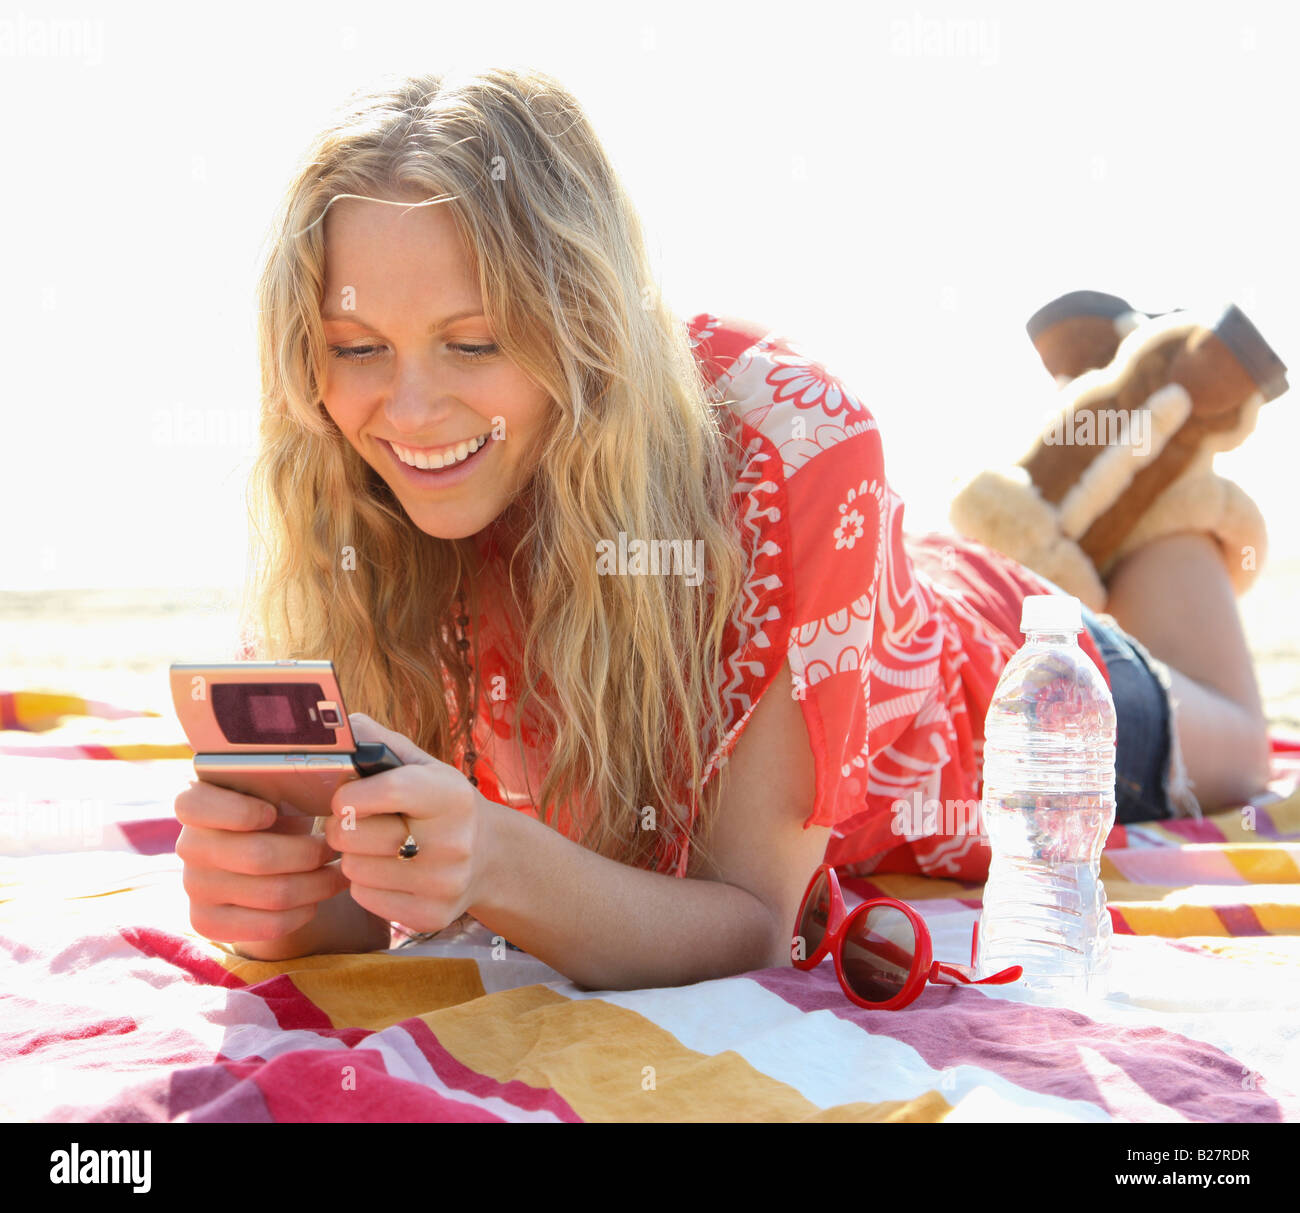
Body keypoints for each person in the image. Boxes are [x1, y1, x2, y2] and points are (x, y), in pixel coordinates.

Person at [173, 67, 1274, 988]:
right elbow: (367, 907)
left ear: (583, 320)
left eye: (474, 341)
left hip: (985, 685)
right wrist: (291, 899)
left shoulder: (798, 441)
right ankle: (1102, 408)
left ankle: (1161, 424)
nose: (407, 412)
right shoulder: (342, 485)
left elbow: (755, 922)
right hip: (864, 590)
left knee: (1225, 735)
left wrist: (497, 864)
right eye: (357, 348)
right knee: (1025, 548)